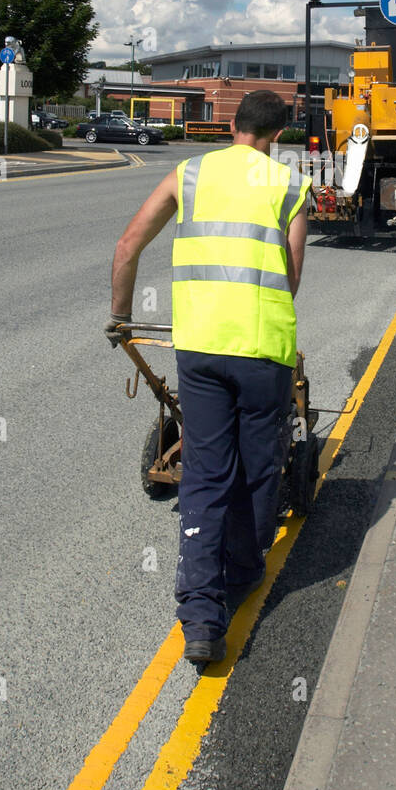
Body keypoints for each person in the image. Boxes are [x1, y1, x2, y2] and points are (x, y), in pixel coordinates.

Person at [106, 90, 311, 663]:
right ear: (278, 133)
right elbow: (291, 279)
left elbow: (128, 245)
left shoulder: (188, 174)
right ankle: (243, 575)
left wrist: (120, 315)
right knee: (257, 468)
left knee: (204, 472)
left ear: (233, 125)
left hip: (198, 349)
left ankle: (199, 615)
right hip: (263, 350)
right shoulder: (290, 187)